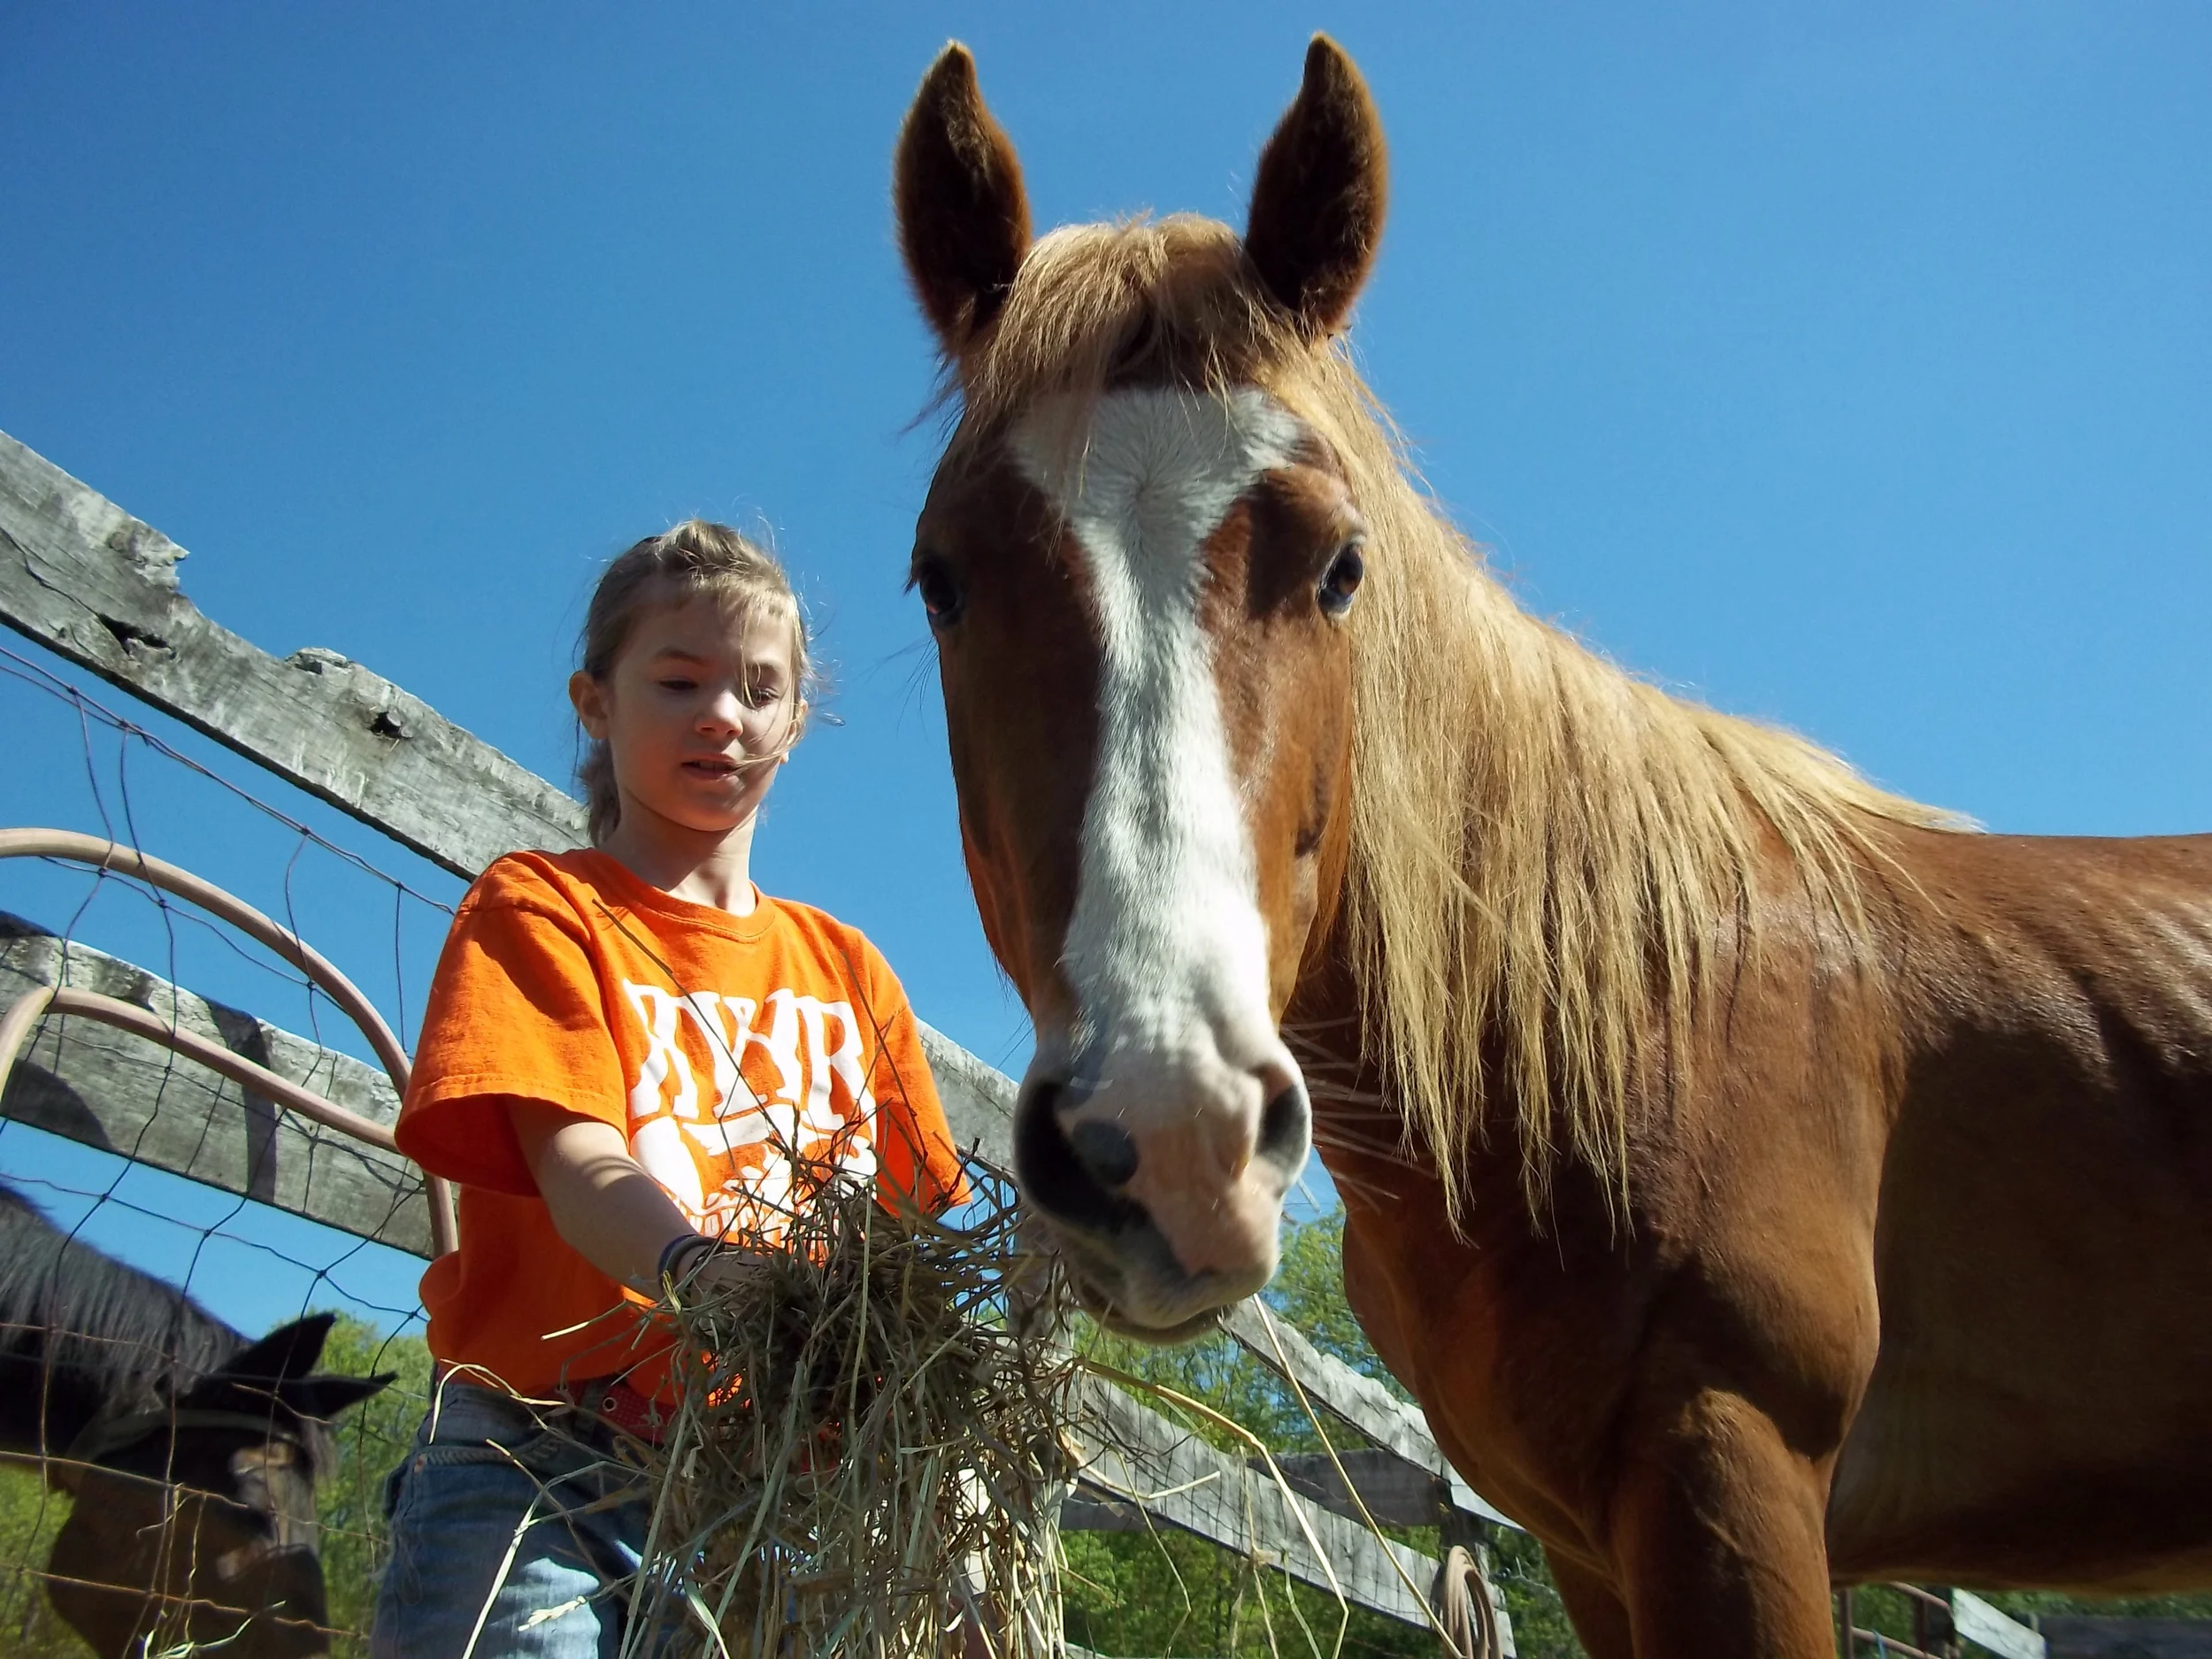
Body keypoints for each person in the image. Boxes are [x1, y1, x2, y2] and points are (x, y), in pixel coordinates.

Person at [373, 520, 967, 1657]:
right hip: (544, 1458)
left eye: (760, 688)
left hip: (779, 1490)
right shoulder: (541, 908)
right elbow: (579, 1161)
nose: (723, 716)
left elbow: (901, 1242)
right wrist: (703, 1272)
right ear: (595, 703)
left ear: (797, 721)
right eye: (680, 679)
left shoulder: (847, 969)